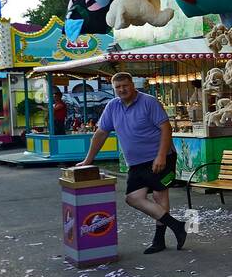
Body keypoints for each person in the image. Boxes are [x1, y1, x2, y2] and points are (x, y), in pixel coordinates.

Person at [78, 72, 186, 255]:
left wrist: (161, 156)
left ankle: (159, 240)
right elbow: (100, 134)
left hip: (159, 157)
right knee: (133, 198)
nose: (122, 90)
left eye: (125, 86)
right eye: (118, 87)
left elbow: (166, 128)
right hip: (136, 163)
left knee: (160, 196)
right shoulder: (112, 107)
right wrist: (88, 160)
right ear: (114, 89)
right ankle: (176, 225)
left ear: (132, 85)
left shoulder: (148, 102)